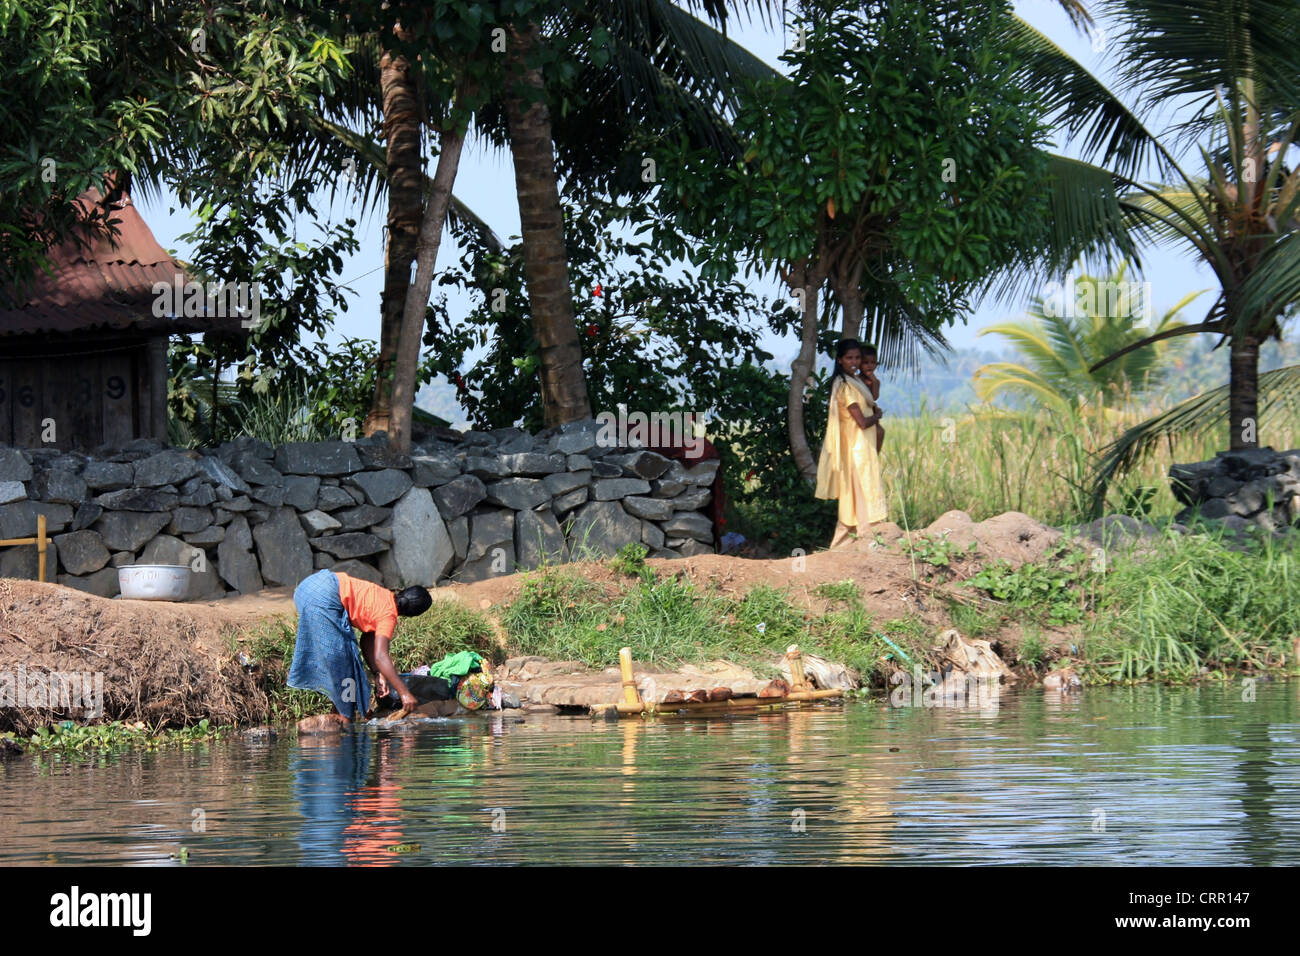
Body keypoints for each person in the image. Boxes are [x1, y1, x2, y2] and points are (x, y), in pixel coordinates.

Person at [289, 569, 433, 732]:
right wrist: (404, 693)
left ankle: (339, 715)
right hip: (323, 595)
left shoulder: (383, 595)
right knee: (343, 662)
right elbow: (380, 655)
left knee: (346, 658)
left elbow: (367, 639)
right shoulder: (388, 615)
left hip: (309, 586)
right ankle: (345, 719)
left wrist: (378, 673)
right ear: (412, 615)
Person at [814, 338, 888, 548]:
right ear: (839, 360)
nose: (854, 362)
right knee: (860, 494)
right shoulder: (846, 386)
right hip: (856, 449)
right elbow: (862, 422)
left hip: (862, 447)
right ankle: (863, 540)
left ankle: (850, 545)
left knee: (856, 497)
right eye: (849, 358)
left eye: (857, 358)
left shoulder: (855, 381)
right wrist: (877, 416)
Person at [857, 344, 885, 454]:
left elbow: (874, 397)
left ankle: (874, 456)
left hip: (871, 411)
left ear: (876, 364)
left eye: (872, 363)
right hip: (859, 410)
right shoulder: (856, 380)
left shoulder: (876, 382)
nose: (869, 366)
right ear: (859, 364)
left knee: (879, 431)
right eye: (865, 363)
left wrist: (873, 381)